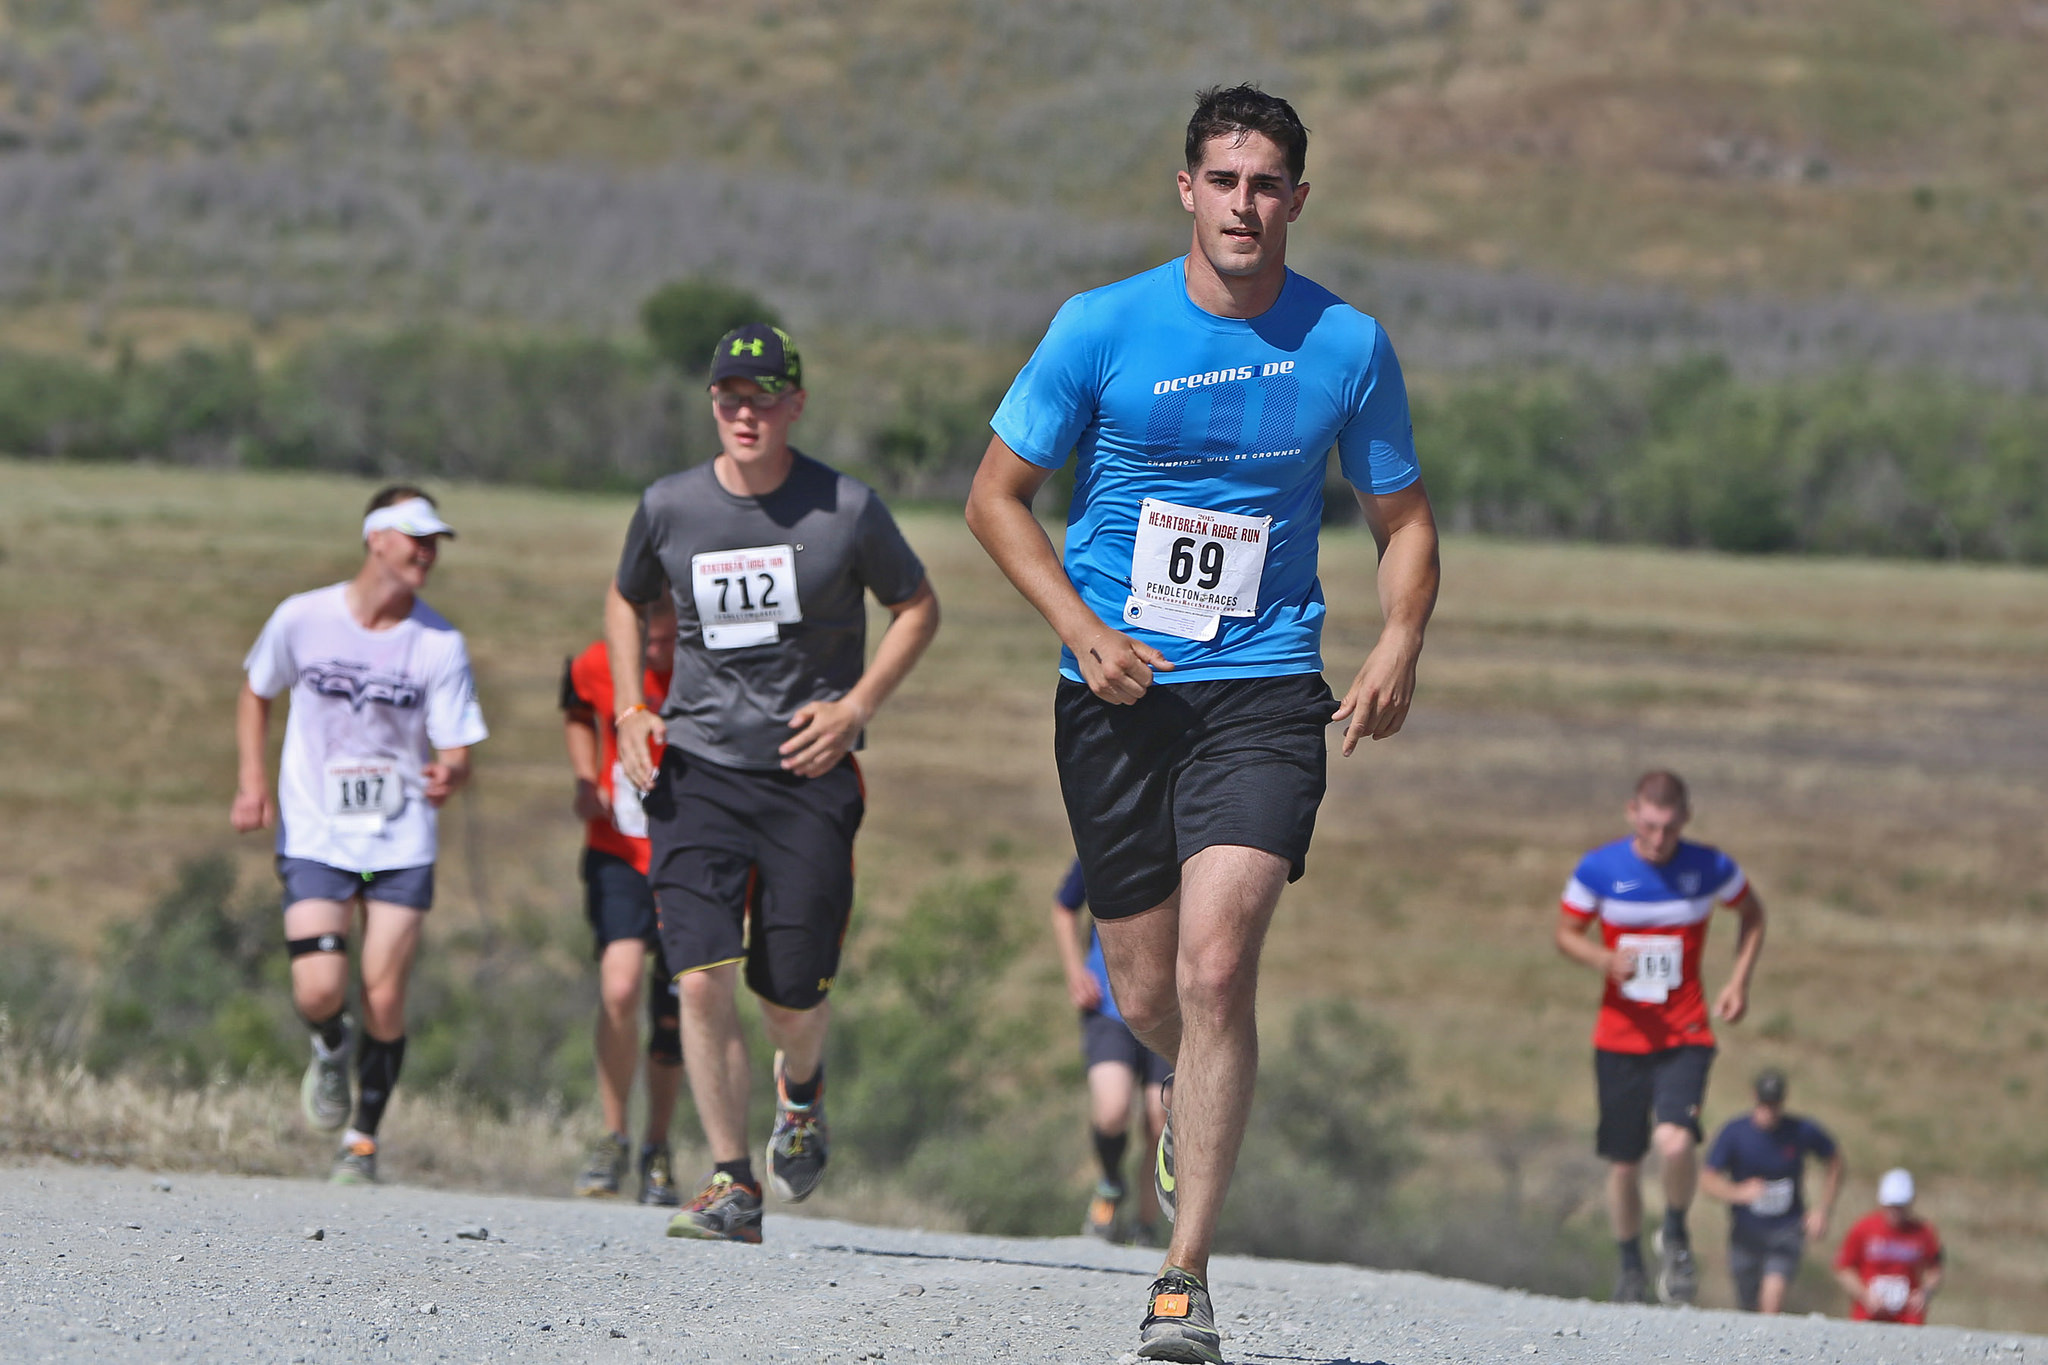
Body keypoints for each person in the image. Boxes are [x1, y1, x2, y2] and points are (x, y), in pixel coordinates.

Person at [965, 85, 1440, 1364]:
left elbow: (1401, 520)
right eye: (1223, 181)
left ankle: (1183, 1275)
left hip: (1265, 688)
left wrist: (1397, 636)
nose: (1244, 205)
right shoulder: (1099, 326)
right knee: (1145, 993)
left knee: (1216, 968)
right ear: (1186, 189)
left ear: (1297, 199)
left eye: (1266, 184)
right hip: (1114, 691)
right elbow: (996, 498)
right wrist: (1080, 629)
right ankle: (1191, 1086)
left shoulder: (1346, 343)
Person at [608, 323, 940, 1243]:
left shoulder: (846, 508)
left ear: (796, 403)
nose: (745, 413)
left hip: (807, 776)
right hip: (697, 771)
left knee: (789, 995)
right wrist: (633, 707)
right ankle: (731, 1180)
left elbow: (916, 605)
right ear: (712, 404)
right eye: (729, 399)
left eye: (763, 398)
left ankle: (802, 1090)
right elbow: (626, 594)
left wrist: (856, 706)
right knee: (700, 977)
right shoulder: (670, 505)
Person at [231, 486, 488, 1184]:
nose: (426, 553)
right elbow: (257, 689)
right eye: (415, 538)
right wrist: (253, 781)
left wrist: (451, 774)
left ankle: (362, 1140)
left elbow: (458, 747)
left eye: (434, 542)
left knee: (383, 992)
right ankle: (329, 1043)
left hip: (400, 838)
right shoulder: (302, 617)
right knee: (319, 988)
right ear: (376, 538)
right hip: (317, 829)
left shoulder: (439, 642)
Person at [1554, 770, 1767, 1306]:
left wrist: (1739, 981)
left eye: (1669, 828)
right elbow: (1565, 934)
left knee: (1675, 1141)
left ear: (1685, 819)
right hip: (1619, 1036)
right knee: (1624, 1162)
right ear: (1632, 813)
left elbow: (1752, 913)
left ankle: (1674, 1233)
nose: (1658, 839)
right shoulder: (1598, 869)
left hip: (1684, 1030)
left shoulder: (1710, 867)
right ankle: (1630, 1265)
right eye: (1649, 826)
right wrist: (1604, 959)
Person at [560, 594, 686, 1206]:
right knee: (619, 985)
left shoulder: (705, 672)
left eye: (667, 642)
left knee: (675, 1009)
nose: (656, 654)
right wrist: (586, 777)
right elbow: (576, 706)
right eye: (647, 643)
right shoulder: (598, 663)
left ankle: (656, 1147)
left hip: (689, 857)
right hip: (618, 850)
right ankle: (613, 1135)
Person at [1049, 857, 1170, 1244]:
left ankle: (1145, 1227)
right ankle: (1110, 1183)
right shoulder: (1109, 840)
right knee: (1113, 1110)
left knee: (1160, 1120)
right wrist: (1075, 972)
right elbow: (1064, 906)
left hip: (1172, 1012)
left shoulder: (1193, 841)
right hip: (1107, 1007)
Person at [1699, 1068, 1844, 1313]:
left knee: (1771, 1301)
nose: (1769, 1111)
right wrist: (1738, 1193)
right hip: (1745, 1233)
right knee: (1747, 1306)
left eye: (1774, 1104)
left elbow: (1834, 1160)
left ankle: (1769, 1334)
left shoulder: (1800, 1130)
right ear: (1754, 1097)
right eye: (1764, 1103)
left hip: (1787, 1230)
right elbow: (1707, 1180)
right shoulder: (1735, 1133)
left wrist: (1823, 1210)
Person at [1834, 1168, 1944, 1325]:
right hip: (1868, 1315)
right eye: (1891, 1205)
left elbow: (1935, 1269)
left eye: (1901, 1206)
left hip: (1908, 1318)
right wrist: (1864, 1295)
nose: (1896, 1212)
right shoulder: (1864, 1228)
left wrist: (1924, 1293)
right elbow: (1844, 1267)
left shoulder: (1923, 1232)